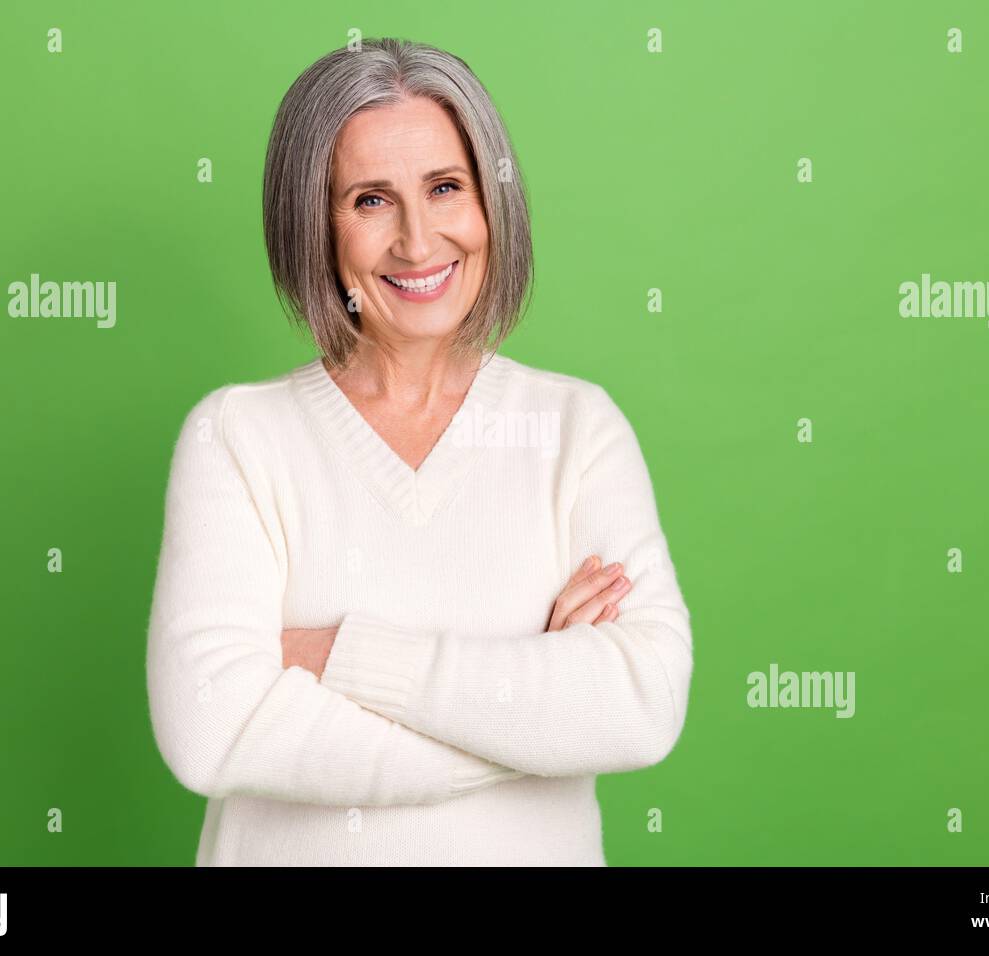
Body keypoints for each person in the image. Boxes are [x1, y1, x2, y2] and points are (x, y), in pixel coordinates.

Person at [145, 36, 692, 866]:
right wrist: (531, 716)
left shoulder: (577, 428)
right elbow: (211, 728)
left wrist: (335, 654)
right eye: (370, 200)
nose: (417, 239)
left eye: (445, 187)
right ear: (314, 229)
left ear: (490, 202)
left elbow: (643, 703)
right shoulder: (237, 438)